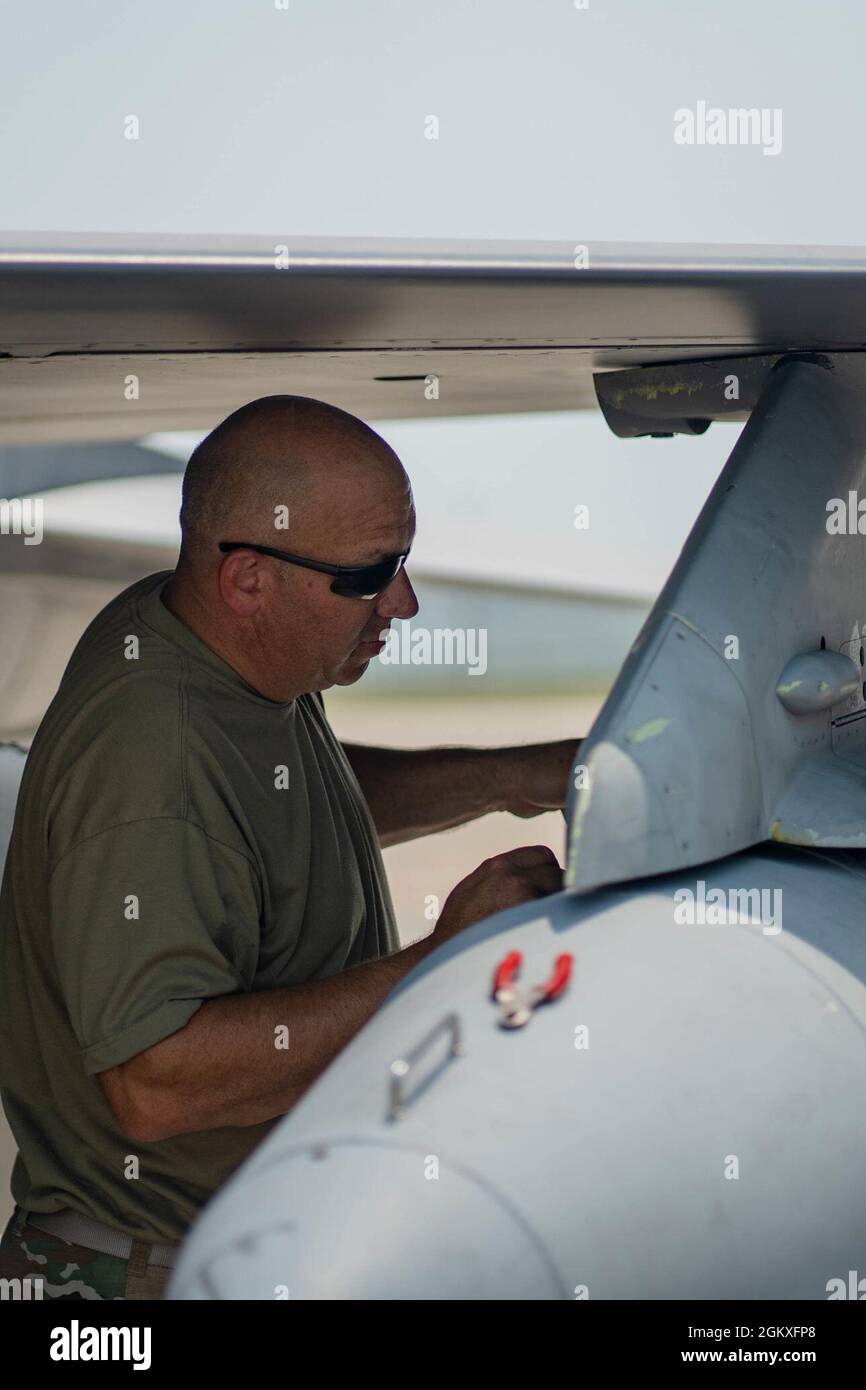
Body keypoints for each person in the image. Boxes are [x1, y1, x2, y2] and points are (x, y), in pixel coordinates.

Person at [0, 395, 577, 1299]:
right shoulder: (155, 756)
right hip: (140, 1281)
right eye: (369, 574)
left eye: (403, 561)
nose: (405, 601)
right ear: (247, 581)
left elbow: (289, 808)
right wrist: (441, 959)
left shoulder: (219, 650)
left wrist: (511, 777)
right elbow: (156, 1083)